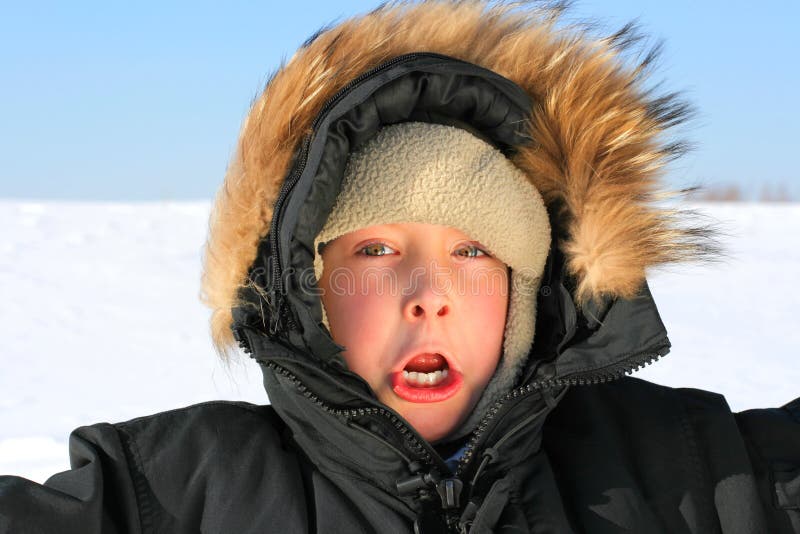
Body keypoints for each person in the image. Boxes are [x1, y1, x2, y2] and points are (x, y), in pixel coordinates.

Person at [2, 1, 799, 532]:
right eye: (375, 252)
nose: (430, 298)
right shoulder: (177, 494)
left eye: (473, 252)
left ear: (528, 297)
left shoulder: (685, 472)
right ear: (305, 291)